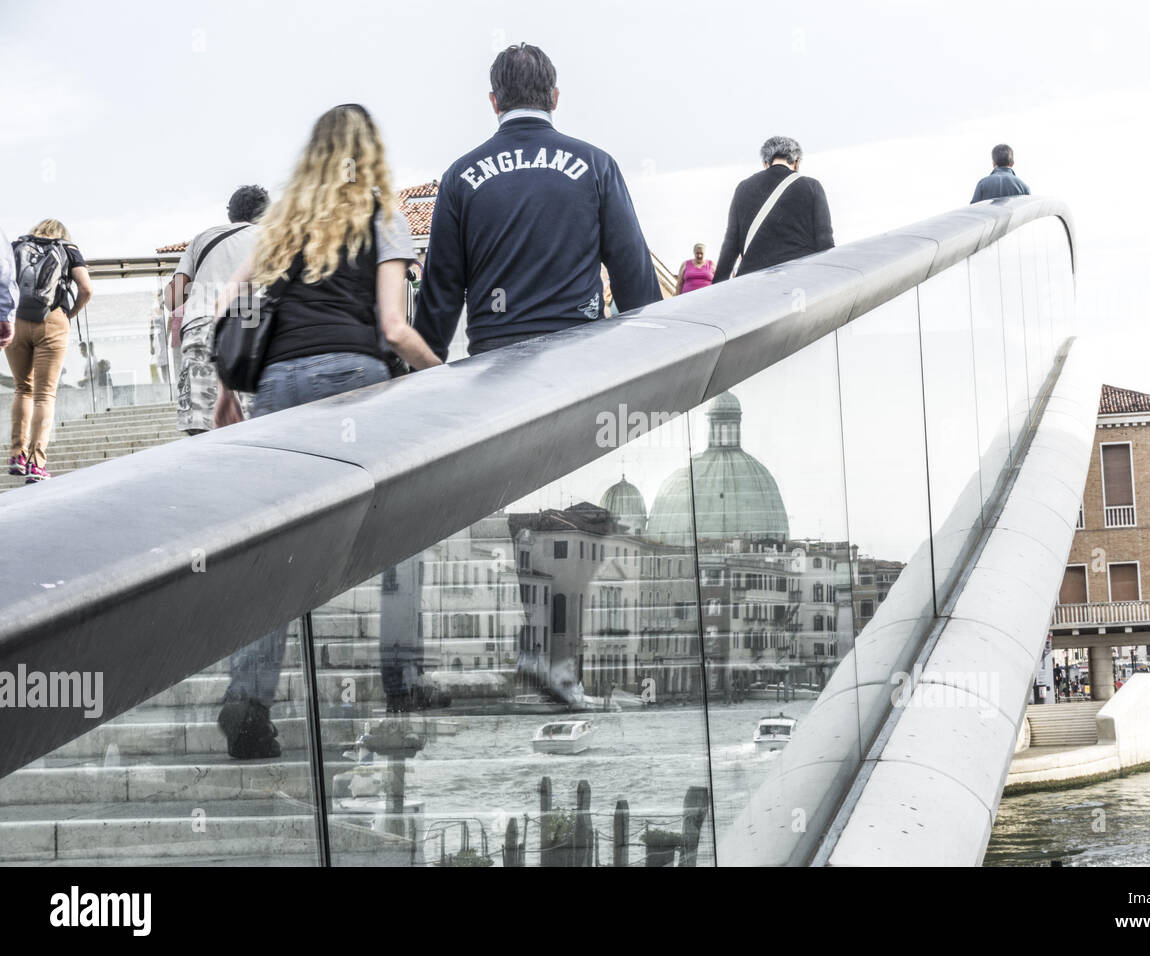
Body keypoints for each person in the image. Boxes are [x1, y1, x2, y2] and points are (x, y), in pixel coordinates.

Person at [210, 103, 441, 759]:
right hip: (359, 385)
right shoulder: (380, 215)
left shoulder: (280, 224)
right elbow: (395, 327)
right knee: (403, 533)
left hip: (280, 387)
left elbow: (232, 309)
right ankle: (402, 680)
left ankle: (248, 701)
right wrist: (441, 372)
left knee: (277, 554)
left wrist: (228, 392)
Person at [413, 43, 660, 361]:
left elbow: (441, 291)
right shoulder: (597, 166)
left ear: (494, 102)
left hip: (493, 358)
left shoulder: (459, 177)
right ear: (555, 97)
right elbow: (635, 276)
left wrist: (421, 364)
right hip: (579, 352)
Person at [164, 185, 269, 433]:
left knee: (200, 425)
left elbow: (172, 299)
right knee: (252, 425)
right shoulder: (268, 237)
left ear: (230, 212)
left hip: (200, 326)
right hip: (247, 328)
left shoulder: (203, 238)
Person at [7, 219, 92, 483]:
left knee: (23, 388)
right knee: (44, 395)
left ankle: (16, 456)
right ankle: (37, 463)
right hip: (52, 320)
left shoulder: (16, 247)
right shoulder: (68, 248)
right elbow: (87, 288)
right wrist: (69, 314)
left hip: (17, 320)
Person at [712, 136, 834, 283]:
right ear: (796, 163)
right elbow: (825, 242)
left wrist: (717, 286)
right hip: (798, 280)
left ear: (765, 163)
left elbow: (730, 246)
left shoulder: (743, 188)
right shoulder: (811, 186)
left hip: (751, 281)